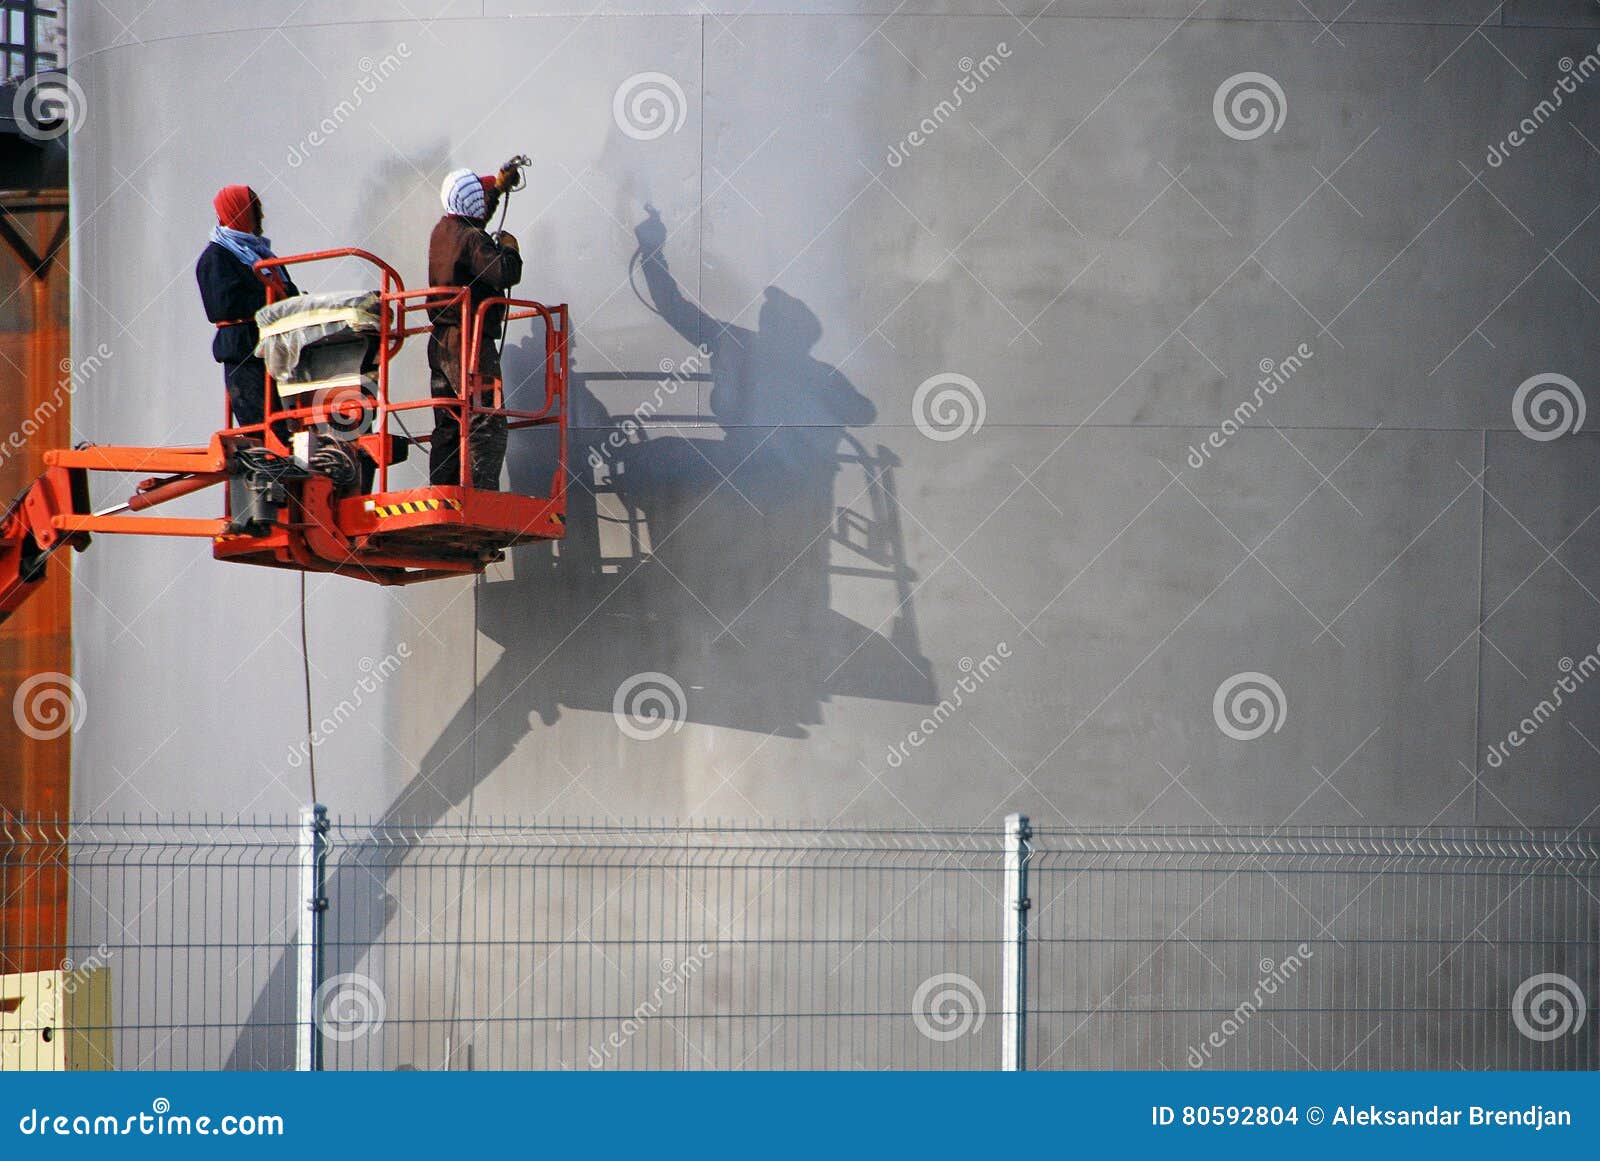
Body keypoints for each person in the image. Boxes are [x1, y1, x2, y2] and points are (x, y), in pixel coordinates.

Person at [427, 164, 523, 489]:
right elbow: (503, 274)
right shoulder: (471, 238)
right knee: (487, 421)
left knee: (449, 424)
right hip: (470, 344)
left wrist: (497, 188)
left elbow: (474, 220)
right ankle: (482, 496)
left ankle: (444, 493)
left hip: (441, 343)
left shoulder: (443, 231)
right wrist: (510, 248)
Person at [195, 185, 297, 437]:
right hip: (243, 350)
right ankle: (277, 470)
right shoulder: (216, 257)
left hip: (275, 349)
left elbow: (288, 290)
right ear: (238, 212)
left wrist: (291, 301)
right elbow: (222, 306)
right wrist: (273, 299)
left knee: (287, 427)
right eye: (254, 210)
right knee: (265, 434)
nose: (260, 217)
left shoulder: (261, 255)